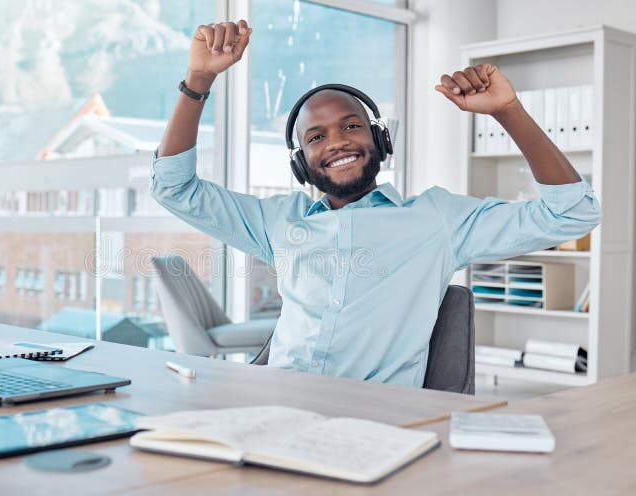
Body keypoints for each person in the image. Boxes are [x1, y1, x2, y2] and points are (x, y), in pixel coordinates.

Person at [151, 20, 600, 387]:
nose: (337, 143)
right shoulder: (276, 221)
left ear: (380, 139)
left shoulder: (436, 220)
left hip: (375, 418)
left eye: (351, 126)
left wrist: (507, 112)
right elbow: (175, 188)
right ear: (301, 162)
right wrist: (199, 81)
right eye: (316, 137)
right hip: (275, 400)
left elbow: (573, 213)